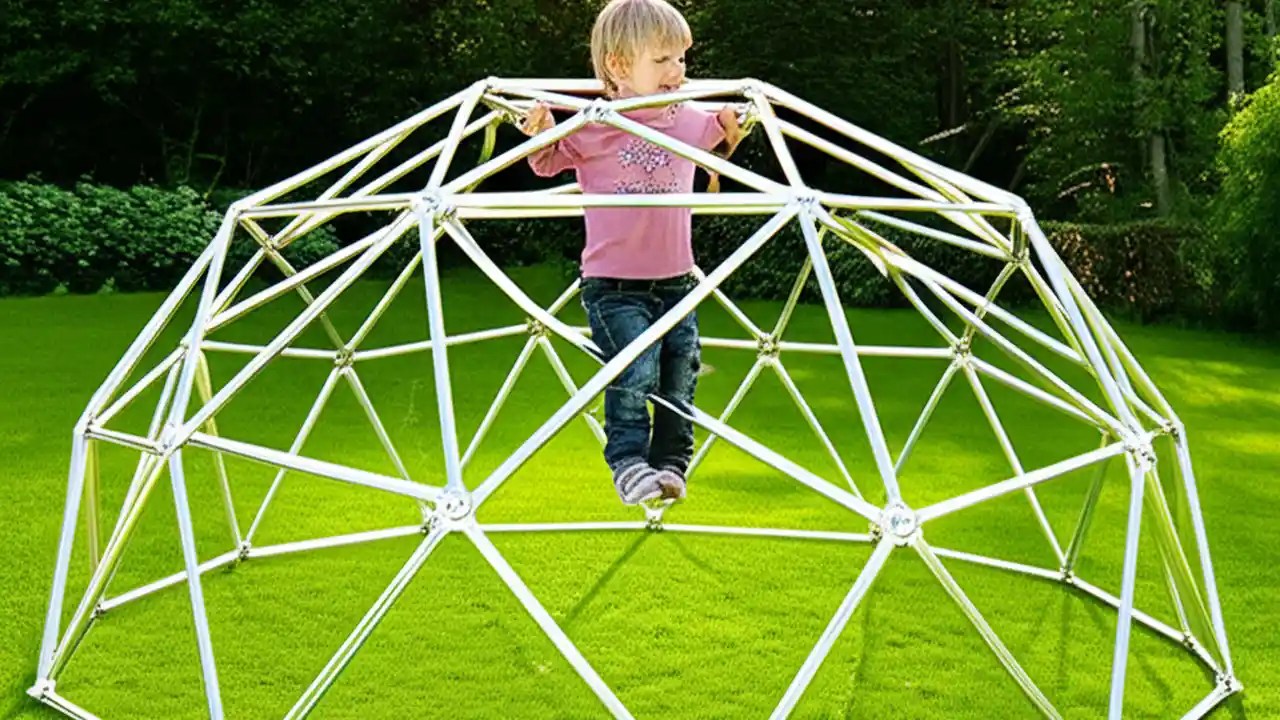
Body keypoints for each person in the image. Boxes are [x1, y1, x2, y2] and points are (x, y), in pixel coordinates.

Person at [520, 0, 741, 506]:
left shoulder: (689, 120)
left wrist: (732, 126)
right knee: (634, 368)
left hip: (676, 283)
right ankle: (627, 462)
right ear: (618, 66)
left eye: (682, 59)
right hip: (613, 285)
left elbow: (720, 139)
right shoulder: (593, 126)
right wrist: (539, 130)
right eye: (662, 60)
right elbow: (546, 161)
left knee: (679, 371)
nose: (677, 72)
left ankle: (671, 463)